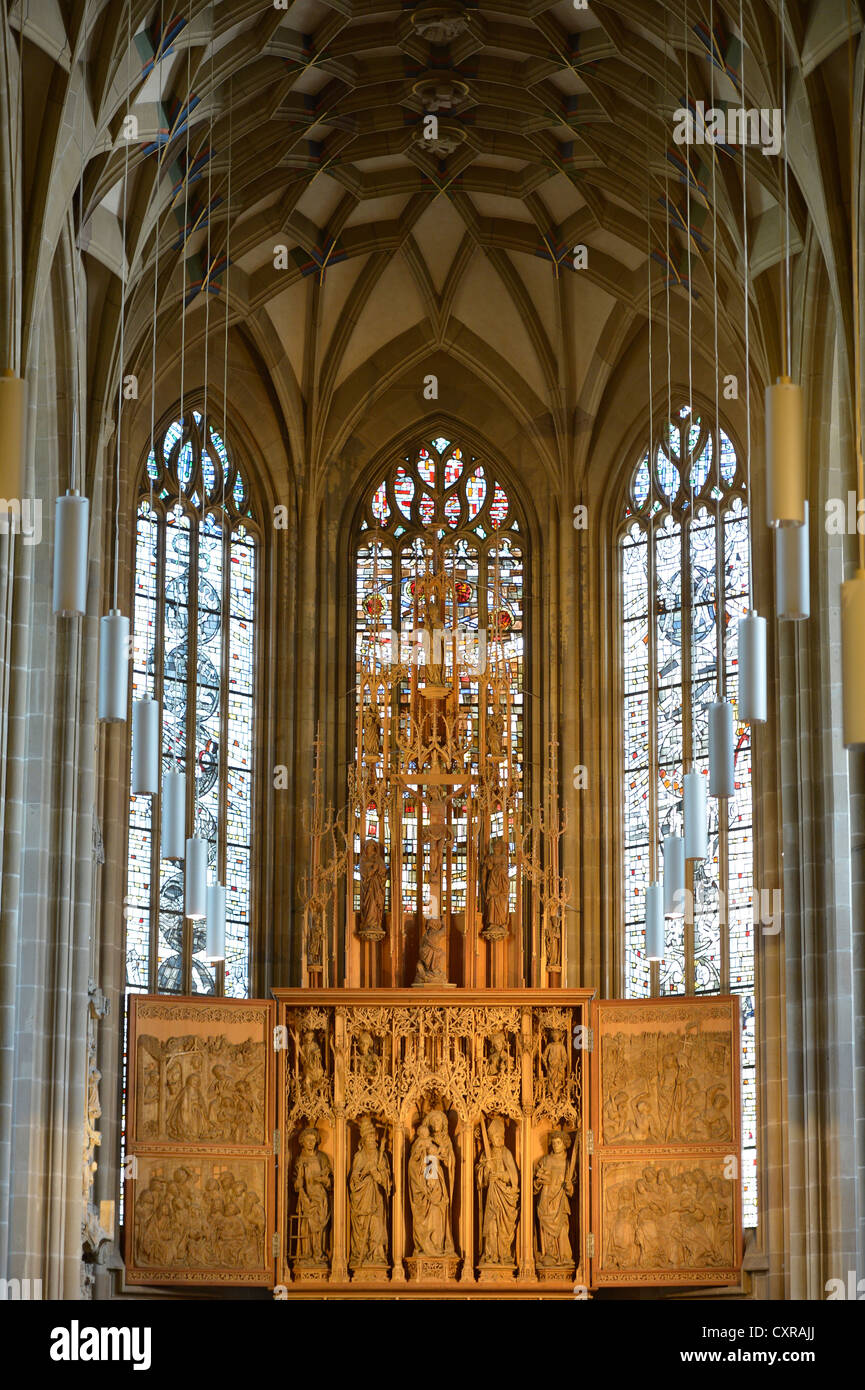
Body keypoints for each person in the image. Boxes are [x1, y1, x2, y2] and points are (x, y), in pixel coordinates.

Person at [349, 1116, 391, 1267]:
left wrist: (380, 1175)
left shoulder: (382, 1155)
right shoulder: (359, 1156)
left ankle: (377, 1256)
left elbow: (387, 1178)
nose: (372, 1139)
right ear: (364, 1140)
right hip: (363, 1200)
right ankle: (363, 1255)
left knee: (377, 1226)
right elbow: (354, 1180)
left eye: (374, 1136)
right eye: (369, 1137)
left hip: (377, 1199)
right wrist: (367, 1172)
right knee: (362, 1227)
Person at [477, 1115, 519, 1264]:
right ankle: (490, 1255)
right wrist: (486, 1171)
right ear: (490, 1139)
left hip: (504, 1197)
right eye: (495, 1137)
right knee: (491, 1225)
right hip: (492, 1195)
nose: (499, 1140)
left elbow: (513, 1177)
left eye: (501, 1137)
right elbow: (479, 1178)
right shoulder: (486, 1155)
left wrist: (500, 1175)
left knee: (503, 1227)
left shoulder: (506, 1153)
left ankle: (504, 1255)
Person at [533, 1131, 573, 1264]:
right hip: (546, 1201)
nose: (556, 1145)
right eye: (554, 1142)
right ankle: (551, 1255)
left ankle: (564, 1257)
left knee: (562, 1229)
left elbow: (573, 1187)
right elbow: (535, 1182)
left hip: (560, 1201)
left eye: (559, 1143)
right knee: (547, 1231)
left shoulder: (568, 1164)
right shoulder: (545, 1160)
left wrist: (568, 1186)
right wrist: (539, 1181)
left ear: (565, 1144)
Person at [293, 1126, 332, 1265]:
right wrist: (298, 1183)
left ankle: (318, 1253)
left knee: (320, 1228)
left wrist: (323, 1180)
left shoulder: (322, 1158)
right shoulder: (299, 1159)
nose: (311, 1142)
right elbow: (294, 1184)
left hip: (320, 1198)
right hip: (306, 1198)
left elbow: (330, 1182)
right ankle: (306, 1254)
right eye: (308, 1140)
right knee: (306, 1226)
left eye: (313, 1140)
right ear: (302, 1141)